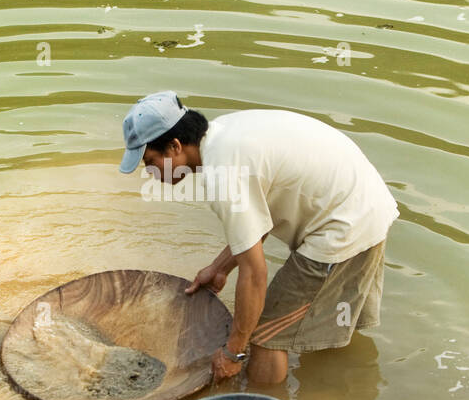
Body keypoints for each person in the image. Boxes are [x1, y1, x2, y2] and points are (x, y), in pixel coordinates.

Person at [118, 91, 398, 384]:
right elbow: (258, 220)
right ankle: (332, 394)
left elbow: (255, 274)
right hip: (364, 200)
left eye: (150, 161)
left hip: (343, 225)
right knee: (321, 317)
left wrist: (233, 352)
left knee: (265, 335)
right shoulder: (223, 134)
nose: (150, 173)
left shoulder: (222, 175)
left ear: (175, 146)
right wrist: (220, 268)